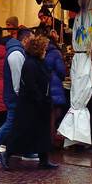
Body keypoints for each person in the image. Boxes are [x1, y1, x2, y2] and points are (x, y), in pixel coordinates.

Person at [4, 35, 56, 169]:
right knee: (23, 132)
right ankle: (7, 154)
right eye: (44, 48)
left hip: (39, 104)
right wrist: (41, 99)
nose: (46, 51)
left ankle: (44, 159)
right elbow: (31, 85)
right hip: (31, 105)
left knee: (41, 133)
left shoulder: (38, 62)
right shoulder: (31, 64)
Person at [0, 27, 32, 165]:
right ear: (25, 39)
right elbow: (18, 78)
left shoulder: (14, 51)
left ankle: (27, 150)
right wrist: (20, 94)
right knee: (11, 123)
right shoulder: (17, 54)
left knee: (19, 122)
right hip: (14, 96)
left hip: (10, 94)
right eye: (31, 40)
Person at [45, 31, 68, 140]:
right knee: (54, 115)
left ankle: (49, 139)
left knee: (49, 115)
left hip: (44, 86)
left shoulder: (40, 51)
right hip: (55, 86)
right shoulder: (56, 53)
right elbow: (62, 71)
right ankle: (52, 139)